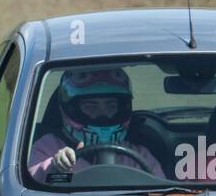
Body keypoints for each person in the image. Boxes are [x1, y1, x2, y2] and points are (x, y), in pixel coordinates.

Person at [28, 67, 163, 181]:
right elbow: (30, 183)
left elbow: (160, 192)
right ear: (72, 108)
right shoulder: (48, 146)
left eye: (111, 106)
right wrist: (55, 167)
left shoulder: (138, 155)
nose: (103, 115)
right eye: (91, 107)